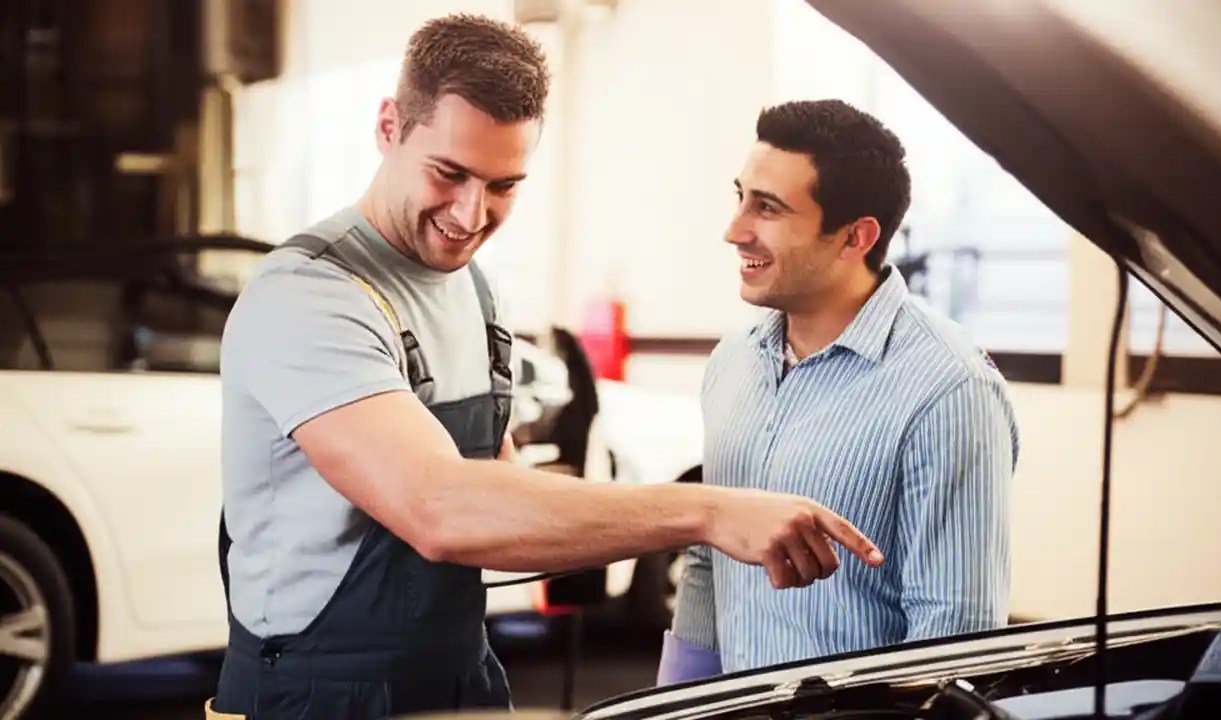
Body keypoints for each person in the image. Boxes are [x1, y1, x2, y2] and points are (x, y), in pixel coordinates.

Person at [208, 17, 884, 719]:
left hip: (460, 673)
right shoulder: (309, 294)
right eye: (449, 173)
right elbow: (438, 508)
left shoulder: (477, 290)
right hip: (315, 695)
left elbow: (496, 498)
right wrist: (706, 511)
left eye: (503, 185)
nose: (471, 214)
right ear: (389, 127)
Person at [658, 99, 1019, 684]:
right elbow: (708, 558)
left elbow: (956, 632)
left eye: (768, 208)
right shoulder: (732, 362)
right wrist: (674, 698)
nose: (735, 229)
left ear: (856, 237)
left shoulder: (950, 390)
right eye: (740, 196)